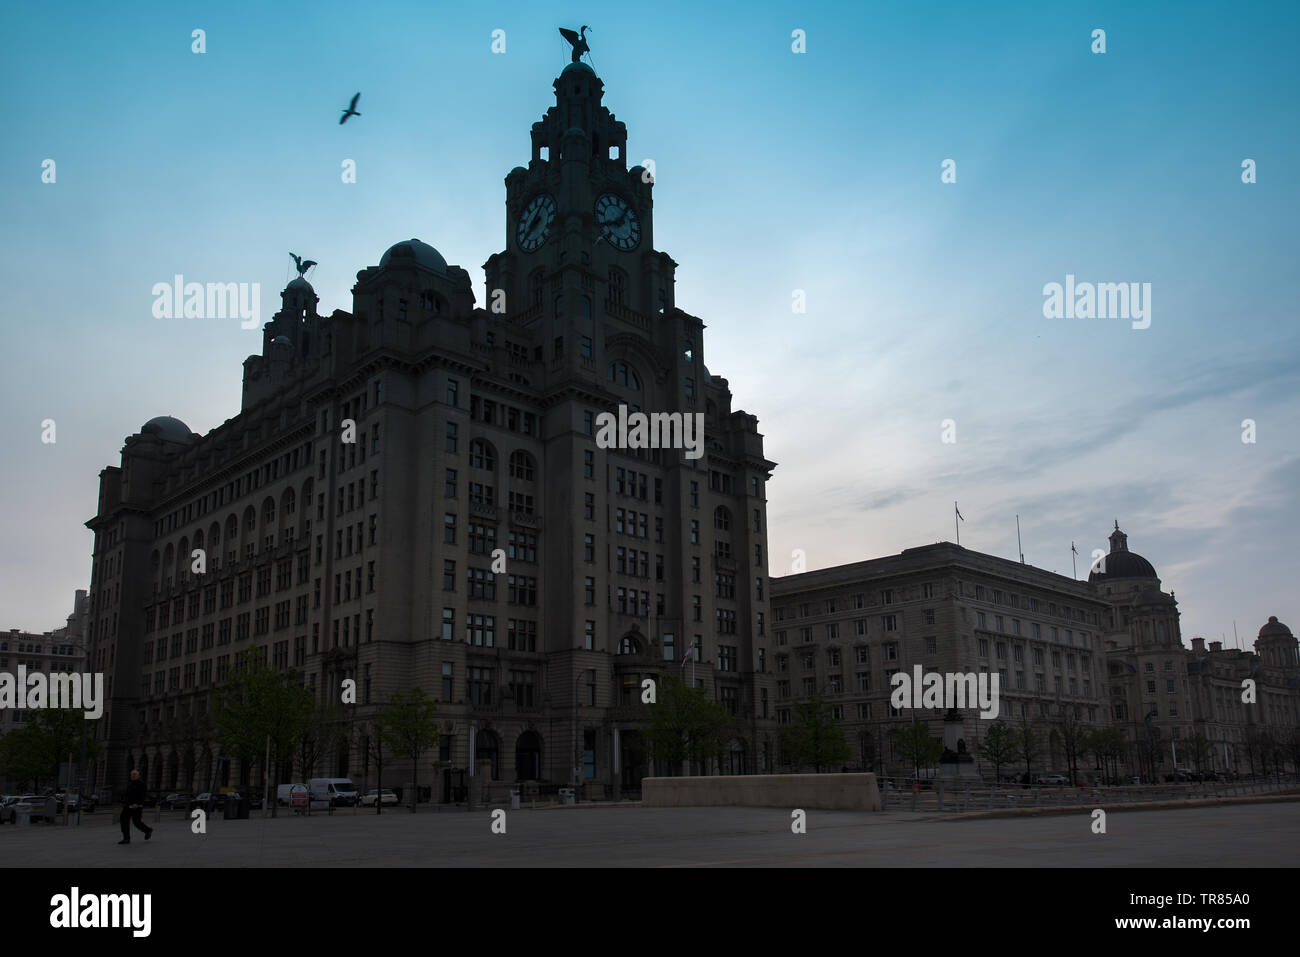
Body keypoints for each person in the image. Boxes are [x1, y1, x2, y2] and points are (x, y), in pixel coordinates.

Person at [118, 770, 153, 844]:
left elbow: (143, 795)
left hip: (137, 806)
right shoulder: (130, 784)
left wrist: (137, 803)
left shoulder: (141, 784)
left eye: (135, 774)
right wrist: (124, 802)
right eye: (132, 775)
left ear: (138, 775)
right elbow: (127, 795)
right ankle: (126, 838)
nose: (133, 776)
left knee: (136, 822)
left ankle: (148, 830)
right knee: (123, 819)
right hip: (128, 806)